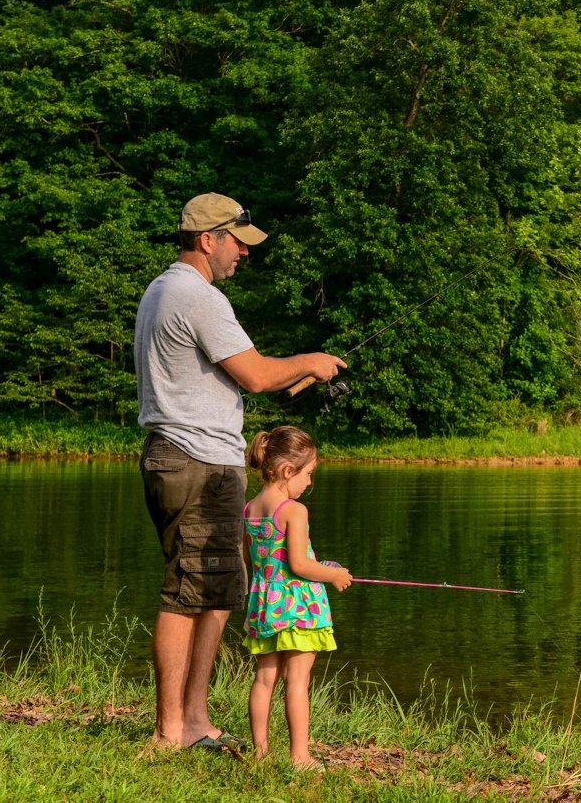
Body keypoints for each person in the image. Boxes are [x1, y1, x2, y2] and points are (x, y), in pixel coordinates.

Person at [135, 192, 345, 752]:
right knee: (187, 591)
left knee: (219, 589)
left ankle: (194, 718)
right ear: (209, 240)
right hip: (196, 461)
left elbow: (222, 377)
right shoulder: (195, 296)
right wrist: (309, 363)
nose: (243, 255)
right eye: (237, 243)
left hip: (190, 458)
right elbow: (254, 375)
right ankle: (169, 730)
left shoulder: (161, 290)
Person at [241, 426, 353, 768]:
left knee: (263, 680)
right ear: (288, 471)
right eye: (308, 475)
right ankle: (299, 757)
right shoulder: (293, 511)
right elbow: (300, 565)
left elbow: (253, 561)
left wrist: (316, 566)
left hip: (264, 604)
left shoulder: (249, 509)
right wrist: (332, 574)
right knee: (297, 681)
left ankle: (260, 753)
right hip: (298, 608)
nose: (308, 483)